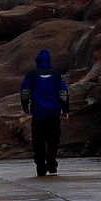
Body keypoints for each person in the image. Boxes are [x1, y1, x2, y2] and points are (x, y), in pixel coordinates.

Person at [20, 48, 69, 177]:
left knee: (38, 140)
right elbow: (63, 92)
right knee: (53, 140)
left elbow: (24, 91)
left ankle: (41, 166)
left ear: (37, 61)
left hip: (38, 114)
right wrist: (65, 109)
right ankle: (52, 163)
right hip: (54, 113)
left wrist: (25, 106)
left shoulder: (31, 75)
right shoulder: (56, 75)